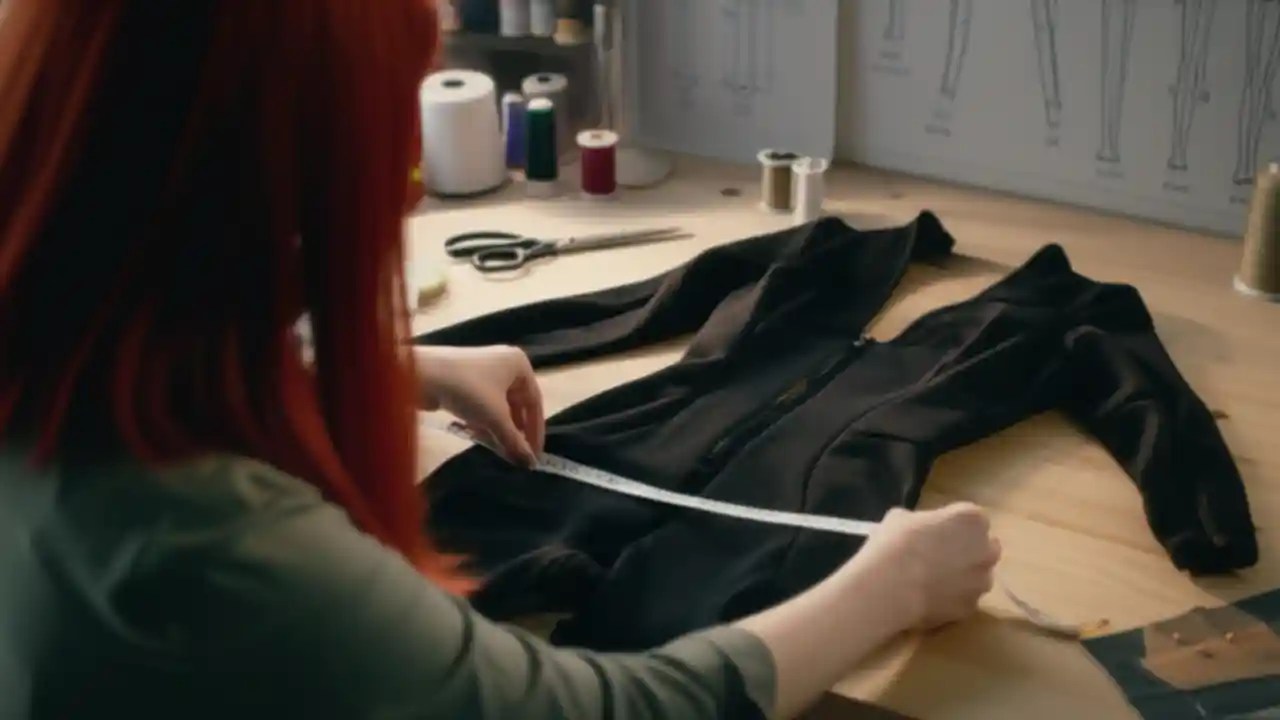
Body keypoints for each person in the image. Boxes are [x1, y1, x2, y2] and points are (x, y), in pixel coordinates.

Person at [0, 1, 1000, 718]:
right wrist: (893, 585)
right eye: (383, 160)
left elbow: (134, 372)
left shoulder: (53, 367)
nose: (406, 202)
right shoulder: (216, 560)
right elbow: (612, 708)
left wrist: (403, 369)